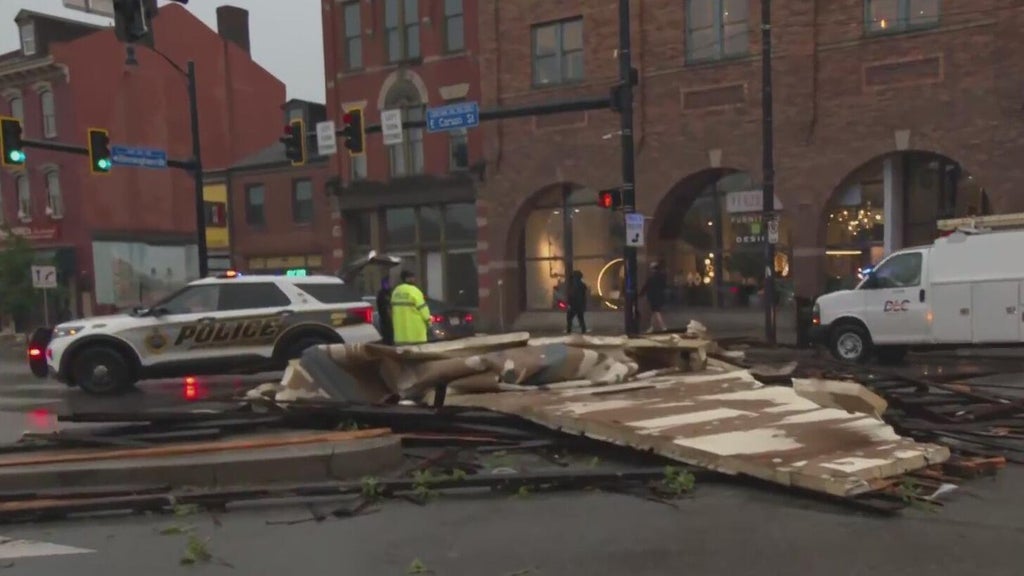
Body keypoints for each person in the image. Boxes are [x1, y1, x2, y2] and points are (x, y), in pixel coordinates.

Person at [390, 270, 431, 345]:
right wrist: (429, 322)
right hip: (416, 335)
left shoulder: (395, 292)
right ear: (407, 279)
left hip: (400, 336)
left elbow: (392, 310)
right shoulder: (414, 291)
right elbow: (423, 309)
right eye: (412, 277)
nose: (414, 279)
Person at [640, 261, 668, 333]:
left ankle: (663, 327)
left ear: (652, 269)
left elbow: (646, 287)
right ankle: (652, 327)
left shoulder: (652, 278)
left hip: (653, 297)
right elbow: (664, 286)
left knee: (656, 312)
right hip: (660, 296)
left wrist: (640, 294)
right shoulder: (662, 277)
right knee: (654, 312)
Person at [566, 270, 588, 334]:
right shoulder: (582, 285)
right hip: (579, 305)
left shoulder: (573, 285)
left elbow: (571, 295)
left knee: (570, 318)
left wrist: (569, 303)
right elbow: (584, 296)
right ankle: (583, 330)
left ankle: (569, 330)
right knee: (580, 318)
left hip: (574, 305)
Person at [376, 277, 394, 345]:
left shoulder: (390, 292)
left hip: (389, 318)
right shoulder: (382, 294)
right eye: (385, 283)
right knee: (387, 334)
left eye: (387, 283)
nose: (387, 285)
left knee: (390, 334)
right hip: (384, 318)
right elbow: (384, 306)